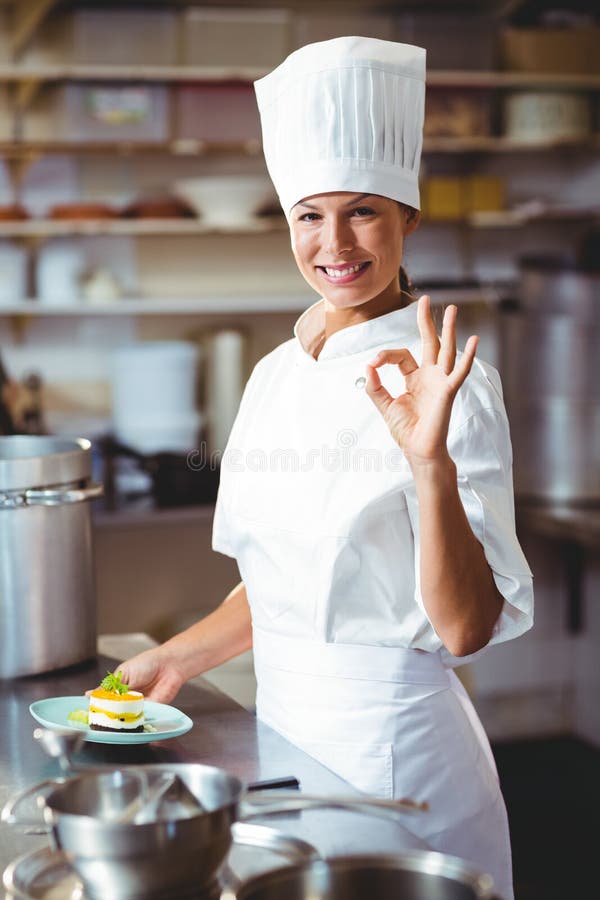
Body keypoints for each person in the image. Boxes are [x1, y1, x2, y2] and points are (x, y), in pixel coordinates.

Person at [117, 37, 533, 900]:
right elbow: (286, 586)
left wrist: (430, 466)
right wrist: (179, 658)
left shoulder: (446, 377)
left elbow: (465, 631)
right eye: (310, 214)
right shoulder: (278, 373)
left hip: (398, 755)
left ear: (408, 217)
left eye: (363, 211)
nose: (334, 242)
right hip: (285, 735)